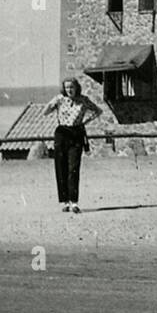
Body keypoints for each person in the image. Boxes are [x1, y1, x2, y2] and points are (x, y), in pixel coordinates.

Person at [42, 77, 103, 213]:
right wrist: (52, 104)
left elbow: (98, 111)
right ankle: (65, 201)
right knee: (61, 167)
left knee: (73, 168)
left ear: (76, 87)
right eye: (67, 87)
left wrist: (85, 122)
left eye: (72, 87)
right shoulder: (59, 99)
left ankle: (74, 201)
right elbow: (45, 113)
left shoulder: (83, 100)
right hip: (62, 133)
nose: (69, 90)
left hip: (76, 134)